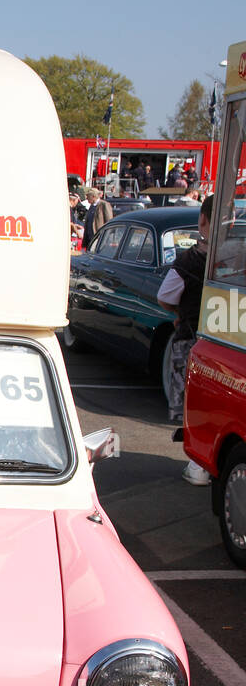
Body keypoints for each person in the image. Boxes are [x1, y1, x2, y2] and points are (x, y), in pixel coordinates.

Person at [157, 194, 213, 485]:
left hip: (193, 340)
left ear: (202, 220)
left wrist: (179, 312)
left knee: (194, 404)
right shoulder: (236, 258)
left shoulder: (189, 261)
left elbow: (164, 297)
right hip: (229, 341)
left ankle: (197, 466)